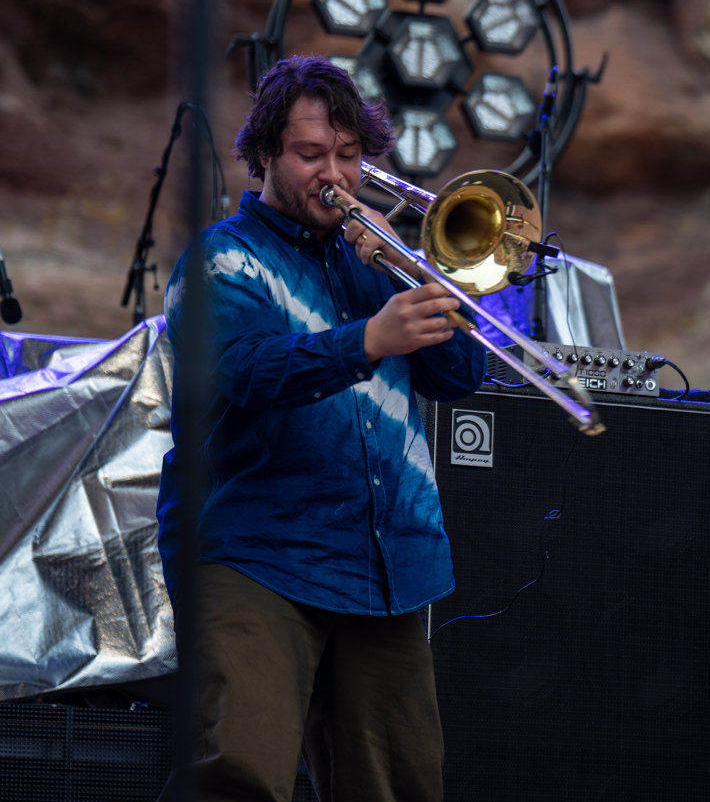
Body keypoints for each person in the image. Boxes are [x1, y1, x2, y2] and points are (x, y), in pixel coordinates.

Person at [156, 55, 486, 801]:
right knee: (236, 771)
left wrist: (424, 275)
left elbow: (461, 377)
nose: (333, 173)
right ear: (266, 153)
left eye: (348, 154)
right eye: (310, 155)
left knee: (399, 786)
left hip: (389, 565)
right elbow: (243, 372)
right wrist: (369, 338)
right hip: (256, 555)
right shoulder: (223, 261)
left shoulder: (379, 262)